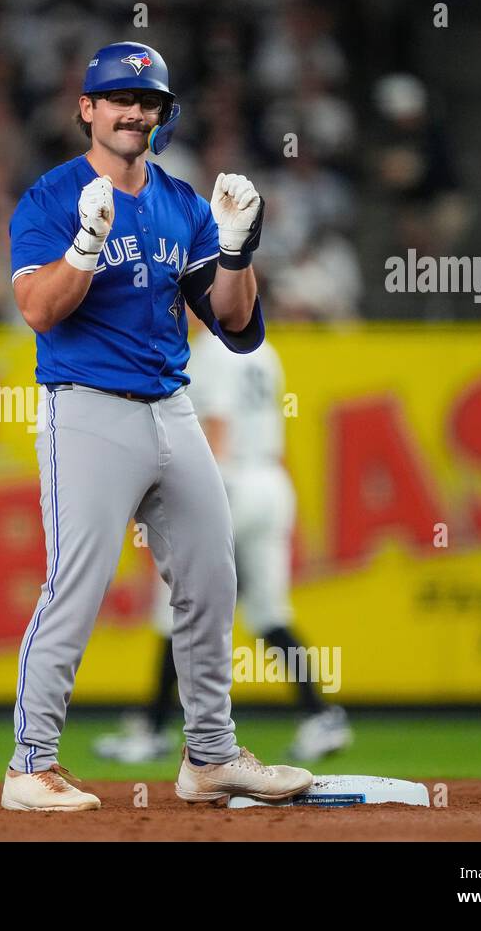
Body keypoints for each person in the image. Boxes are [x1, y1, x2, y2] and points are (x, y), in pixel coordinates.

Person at [2, 41, 313, 811]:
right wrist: (83, 246)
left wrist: (238, 249)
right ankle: (29, 763)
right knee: (75, 587)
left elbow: (236, 325)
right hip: (87, 406)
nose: (134, 111)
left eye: (148, 102)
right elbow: (40, 309)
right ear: (87, 108)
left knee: (213, 577)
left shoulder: (180, 200)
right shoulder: (50, 196)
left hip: (172, 408)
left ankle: (210, 755)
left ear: (161, 113)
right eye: (118, 99)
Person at [94, 323, 353, 765]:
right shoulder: (262, 349)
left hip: (229, 485)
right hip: (270, 482)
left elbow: (218, 427)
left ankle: (152, 730)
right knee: (271, 612)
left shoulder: (209, 351)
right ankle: (321, 716)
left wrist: (192, 498)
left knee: (174, 607)